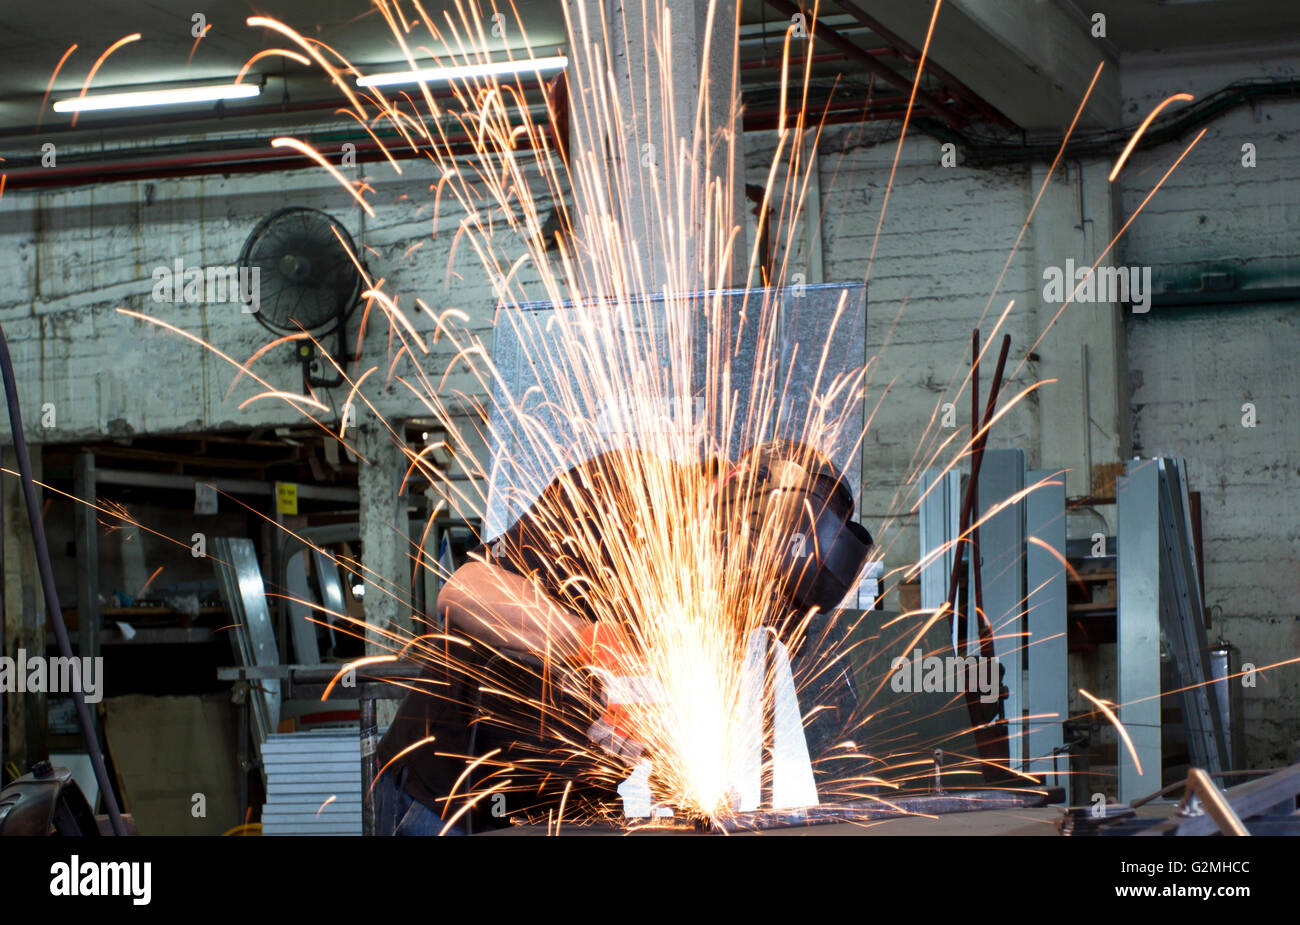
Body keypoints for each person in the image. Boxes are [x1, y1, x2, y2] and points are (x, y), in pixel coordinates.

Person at [373, 439, 873, 834]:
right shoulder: (621, 492)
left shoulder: (773, 597)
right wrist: (589, 642)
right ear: (732, 491)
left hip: (566, 812)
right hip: (447, 795)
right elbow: (462, 593)